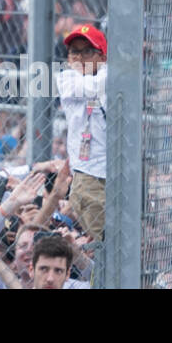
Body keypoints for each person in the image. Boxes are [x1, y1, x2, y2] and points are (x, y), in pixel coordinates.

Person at [58, 24, 107, 240]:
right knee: (105, 243)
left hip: (120, 172)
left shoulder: (111, 77)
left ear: (102, 56)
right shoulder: (66, 78)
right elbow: (90, 88)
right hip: (89, 176)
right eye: (74, 52)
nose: (79, 57)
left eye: (87, 51)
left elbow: (100, 84)